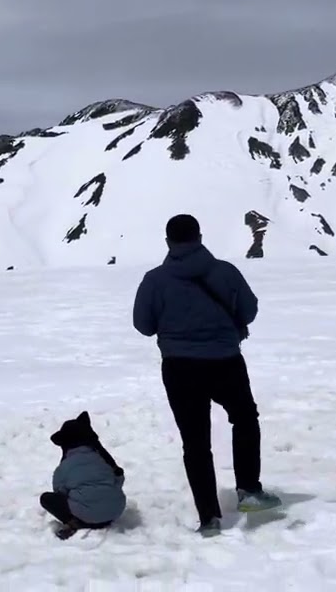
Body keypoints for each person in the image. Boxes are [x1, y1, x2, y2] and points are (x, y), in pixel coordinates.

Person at [131, 213, 281, 537]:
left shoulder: (154, 281)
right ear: (200, 237)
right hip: (225, 360)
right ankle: (249, 491)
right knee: (244, 418)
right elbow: (250, 311)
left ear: (168, 242)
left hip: (179, 368)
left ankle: (209, 518)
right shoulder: (225, 272)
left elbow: (143, 326)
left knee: (195, 441)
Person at [41, 411, 126, 540]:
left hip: (87, 516)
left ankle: (74, 522)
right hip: (115, 511)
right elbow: (119, 478)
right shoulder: (102, 459)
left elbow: (60, 492)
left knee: (46, 499)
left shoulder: (64, 467)